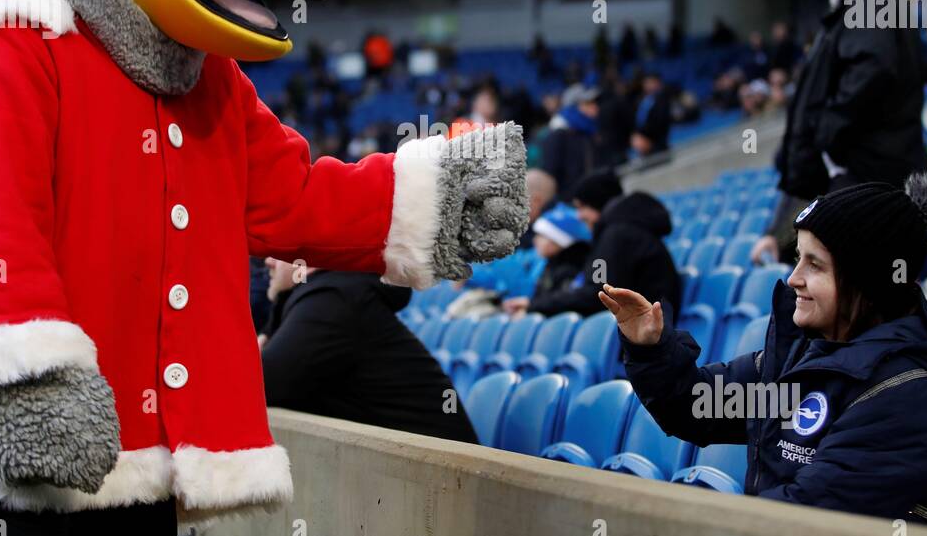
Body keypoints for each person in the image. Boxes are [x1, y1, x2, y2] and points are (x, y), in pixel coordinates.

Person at [602, 173, 927, 526]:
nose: (793, 278)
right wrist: (649, 348)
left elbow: (802, 522)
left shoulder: (907, 398)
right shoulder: (806, 355)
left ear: (866, 282)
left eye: (814, 265)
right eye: (797, 258)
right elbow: (696, 407)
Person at [752, 0, 927, 266]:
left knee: (834, 269)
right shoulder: (855, 14)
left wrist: (825, 130)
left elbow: (873, 70)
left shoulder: (874, 5)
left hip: (872, 178)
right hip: (857, 174)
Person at [260, 258, 478, 443]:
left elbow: (264, 385)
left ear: (309, 259)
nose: (267, 260)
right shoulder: (329, 294)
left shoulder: (335, 299)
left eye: (277, 253)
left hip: (444, 479)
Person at [507, 170, 681, 320]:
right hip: (648, 326)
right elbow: (595, 288)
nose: (579, 216)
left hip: (650, 332)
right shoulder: (618, 232)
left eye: (582, 207)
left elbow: (596, 294)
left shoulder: (616, 236)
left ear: (597, 204)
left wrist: (535, 306)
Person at [539, 84, 600, 199]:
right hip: (571, 204)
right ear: (574, 107)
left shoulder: (586, 132)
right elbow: (550, 175)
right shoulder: (557, 135)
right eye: (588, 103)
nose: (595, 108)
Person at [526, 204, 592, 303]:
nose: (535, 240)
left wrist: (529, 306)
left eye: (542, 235)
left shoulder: (569, 271)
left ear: (560, 240)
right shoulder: (550, 265)